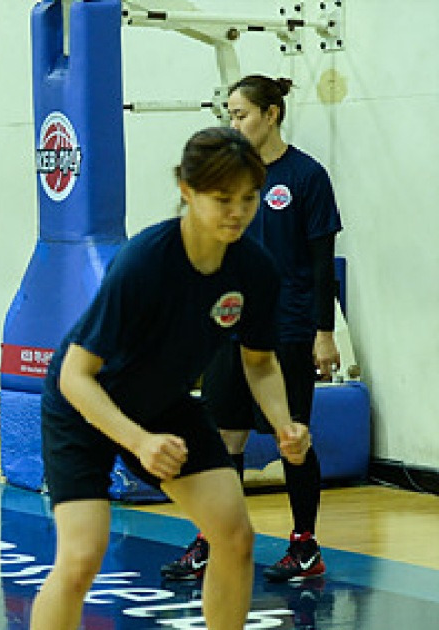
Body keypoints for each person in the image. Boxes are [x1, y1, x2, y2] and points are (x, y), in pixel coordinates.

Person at [28, 127, 311, 630]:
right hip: (84, 408)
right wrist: (138, 441)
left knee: (235, 536)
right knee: (80, 559)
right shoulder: (144, 261)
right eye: (222, 199)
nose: (237, 212)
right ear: (187, 191)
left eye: (249, 199)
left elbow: (260, 362)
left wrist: (284, 423)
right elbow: (75, 376)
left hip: (162, 404)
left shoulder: (254, 269)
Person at [162, 76, 342, 584]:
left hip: (287, 330)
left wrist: (323, 333)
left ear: (271, 114)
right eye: (229, 114)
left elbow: (322, 263)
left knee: (292, 437)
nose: (234, 123)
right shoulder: (234, 180)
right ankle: (212, 540)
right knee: (223, 438)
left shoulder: (307, 176)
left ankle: (304, 546)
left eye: (241, 114)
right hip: (228, 329)